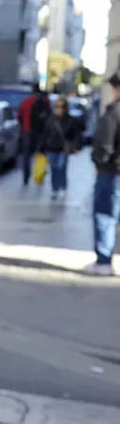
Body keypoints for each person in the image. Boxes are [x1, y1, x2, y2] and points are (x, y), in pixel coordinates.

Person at [84, 72, 120, 276]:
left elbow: (104, 148)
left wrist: (99, 160)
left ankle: (104, 261)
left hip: (112, 172)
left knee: (105, 214)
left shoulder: (113, 113)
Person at [39, 96, 79, 199]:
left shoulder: (70, 120)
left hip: (63, 148)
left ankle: (63, 186)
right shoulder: (50, 119)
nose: (59, 109)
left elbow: (74, 134)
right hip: (51, 147)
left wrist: (75, 147)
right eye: (57, 106)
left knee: (62, 167)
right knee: (53, 168)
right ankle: (54, 189)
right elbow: (45, 134)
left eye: (62, 106)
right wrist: (41, 148)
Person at [17, 84, 46, 186]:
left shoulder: (26, 102)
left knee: (27, 156)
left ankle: (26, 177)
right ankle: (39, 175)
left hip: (27, 131)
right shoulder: (44, 102)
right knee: (39, 154)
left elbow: (19, 116)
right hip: (39, 133)